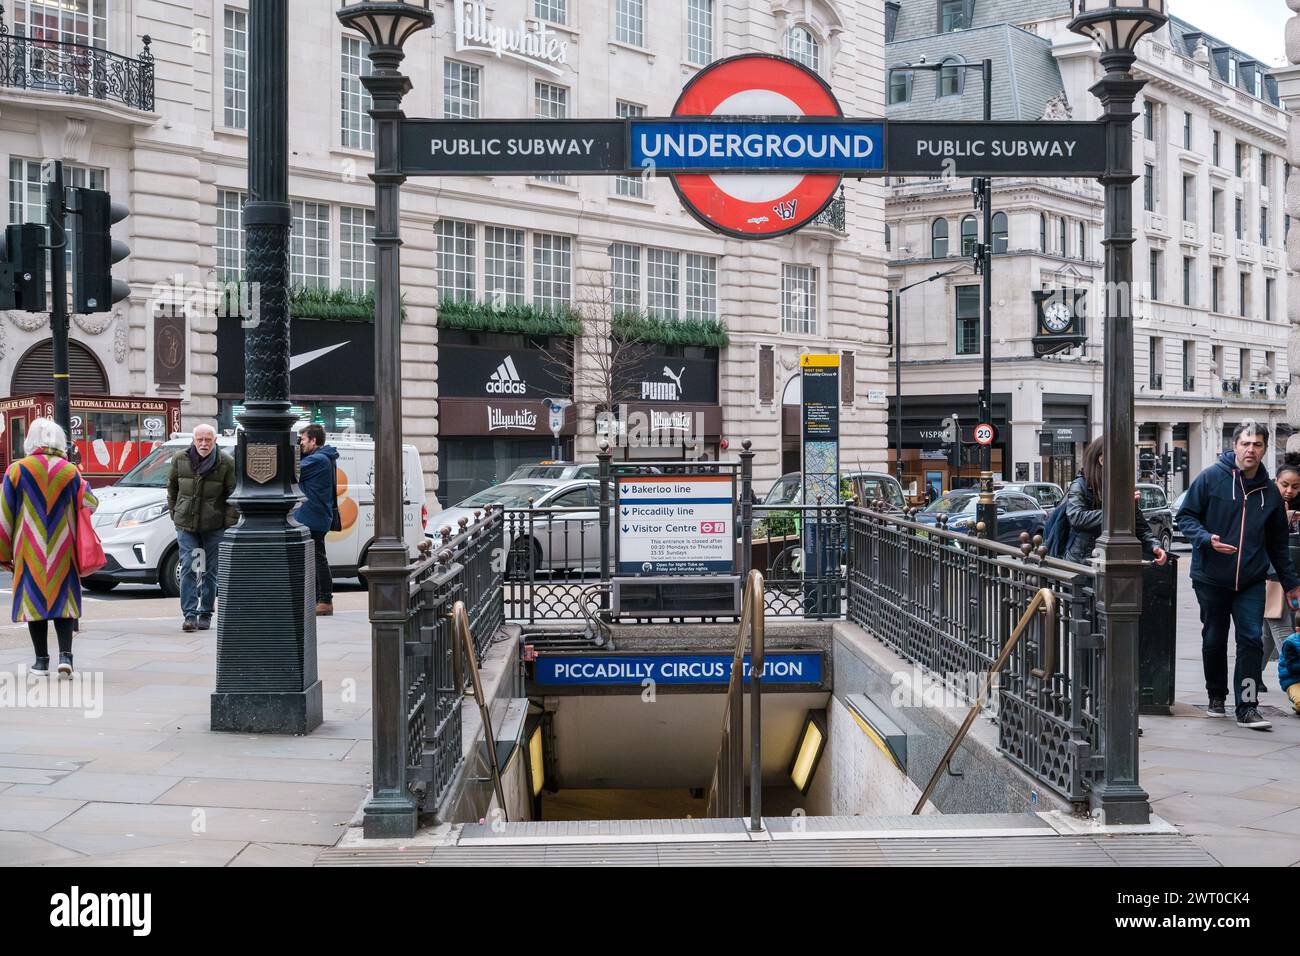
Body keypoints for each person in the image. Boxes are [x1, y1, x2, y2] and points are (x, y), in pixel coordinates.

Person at [1177, 422, 1300, 731]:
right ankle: (1216, 696)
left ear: (1265, 449)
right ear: (1235, 446)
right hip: (1211, 577)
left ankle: (1247, 706)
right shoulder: (1210, 478)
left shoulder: (1270, 492)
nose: (1250, 449)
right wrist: (1206, 539)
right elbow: (1186, 516)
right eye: (1245, 443)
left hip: (1251, 580)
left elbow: (1278, 544)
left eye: (1257, 444)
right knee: (1214, 638)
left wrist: (1291, 585)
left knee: (1251, 640)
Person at [0, 418, 97, 677]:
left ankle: (41, 662)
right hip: (63, 547)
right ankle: (66, 657)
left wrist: (3, 553)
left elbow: (5, 514)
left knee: (34, 602)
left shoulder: (17, 470)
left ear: (31, 440)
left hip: (28, 548)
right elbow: (91, 502)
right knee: (64, 601)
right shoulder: (70, 471)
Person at [167, 423, 237, 632]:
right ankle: (189, 615)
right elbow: (172, 489)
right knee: (188, 566)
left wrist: (228, 522)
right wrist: (175, 513)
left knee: (209, 570)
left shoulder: (226, 462)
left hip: (214, 525)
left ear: (215, 441)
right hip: (185, 523)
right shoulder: (180, 459)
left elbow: (232, 495)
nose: (204, 444)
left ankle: (205, 613)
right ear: (194, 440)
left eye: (208, 440)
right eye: (200, 439)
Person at [1063, 436, 1168, 568]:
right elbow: (1076, 518)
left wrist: (1155, 546)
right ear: (1102, 460)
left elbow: (1140, 527)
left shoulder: (1122, 486)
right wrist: (1119, 509)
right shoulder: (1080, 485)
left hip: (1114, 560)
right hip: (1082, 562)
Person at [1262, 453, 1300, 668]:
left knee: (1267, 634)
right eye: (1284, 485)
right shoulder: (1267, 502)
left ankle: (1250, 677)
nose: (1289, 491)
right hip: (1272, 574)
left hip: (1288, 575)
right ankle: (1294, 677)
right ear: (1275, 481)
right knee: (1281, 628)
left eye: (1295, 486)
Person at [296, 424, 338, 616]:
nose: (301, 443)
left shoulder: (318, 459)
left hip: (313, 516)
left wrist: (293, 451)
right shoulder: (321, 457)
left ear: (314, 440)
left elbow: (293, 471)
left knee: (317, 559)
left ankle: (325, 600)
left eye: (303, 439)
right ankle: (316, 600)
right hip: (314, 516)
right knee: (313, 559)